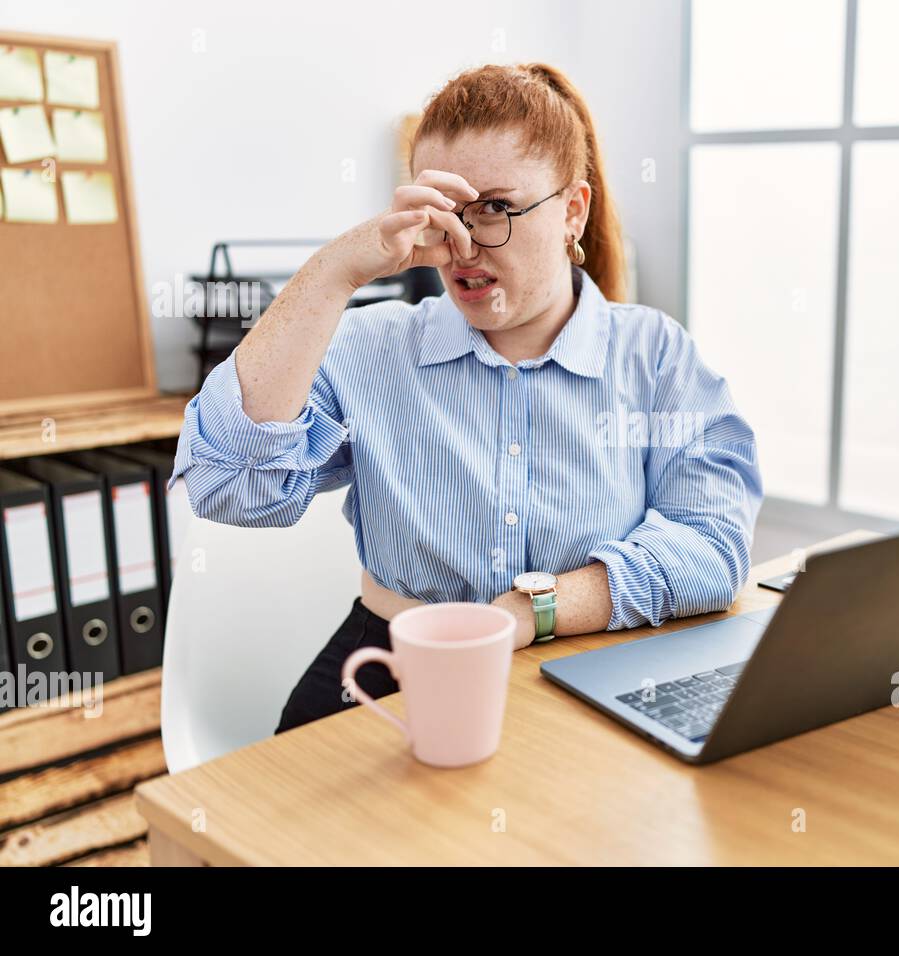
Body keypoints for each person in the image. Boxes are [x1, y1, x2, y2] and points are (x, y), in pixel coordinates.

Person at [169, 62, 762, 734]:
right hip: (388, 674)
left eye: (497, 209)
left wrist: (538, 608)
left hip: (585, 667)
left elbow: (713, 546)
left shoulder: (656, 356)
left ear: (573, 210)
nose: (463, 246)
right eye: (443, 213)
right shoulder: (373, 348)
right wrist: (335, 271)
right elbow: (226, 485)